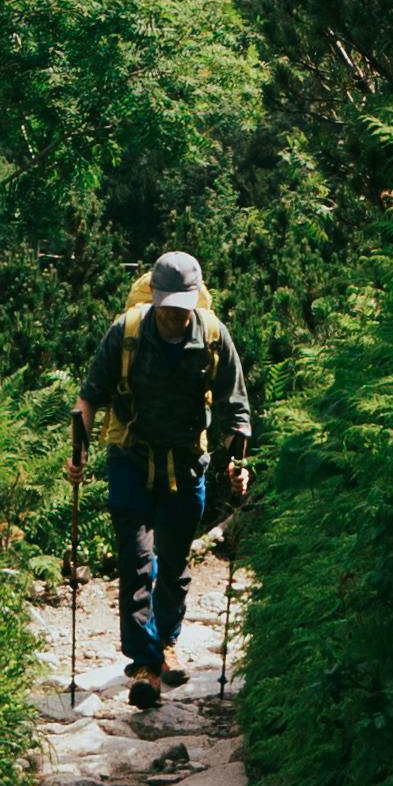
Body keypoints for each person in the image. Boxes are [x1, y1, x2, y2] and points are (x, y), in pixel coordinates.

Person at [73, 247, 252, 720]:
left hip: (187, 462)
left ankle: (167, 642)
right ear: (153, 296)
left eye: (181, 308)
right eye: (166, 306)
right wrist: (79, 450)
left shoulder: (214, 336)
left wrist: (238, 463)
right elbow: (89, 396)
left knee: (172, 565)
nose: (173, 317)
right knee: (136, 562)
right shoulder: (127, 332)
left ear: (194, 300)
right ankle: (146, 666)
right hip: (130, 459)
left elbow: (236, 411)